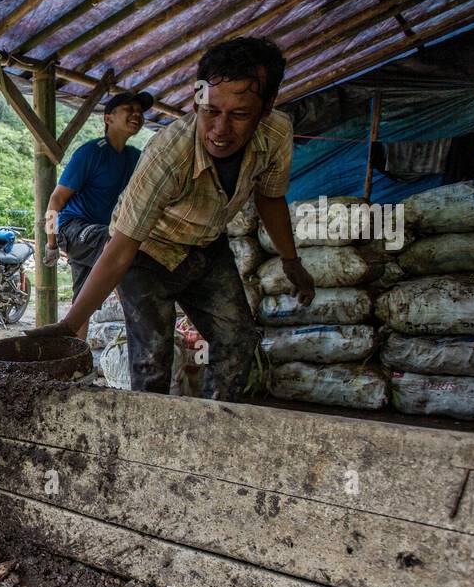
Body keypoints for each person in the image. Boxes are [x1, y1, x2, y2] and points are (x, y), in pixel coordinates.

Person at [31, 37, 315, 401]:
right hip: (144, 252)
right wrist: (70, 324)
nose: (220, 130)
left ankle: (211, 428)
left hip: (206, 246)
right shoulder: (168, 151)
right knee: (152, 361)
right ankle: (146, 449)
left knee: (238, 342)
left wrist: (290, 261)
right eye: (210, 111)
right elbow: (121, 247)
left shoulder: (276, 133)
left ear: (266, 108)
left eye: (239, 115)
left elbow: (271, 198)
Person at [45, 89, 150, 301]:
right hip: (73, 229)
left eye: (140, 111)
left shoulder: (135, 158)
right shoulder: (91, 152)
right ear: (108, 118)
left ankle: (72, 334)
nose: (137, 114)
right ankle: (132, 302)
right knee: (121, 243)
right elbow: (56, 199)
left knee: (83, 300)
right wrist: (50, 243)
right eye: (129, 109)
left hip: (102, 234)